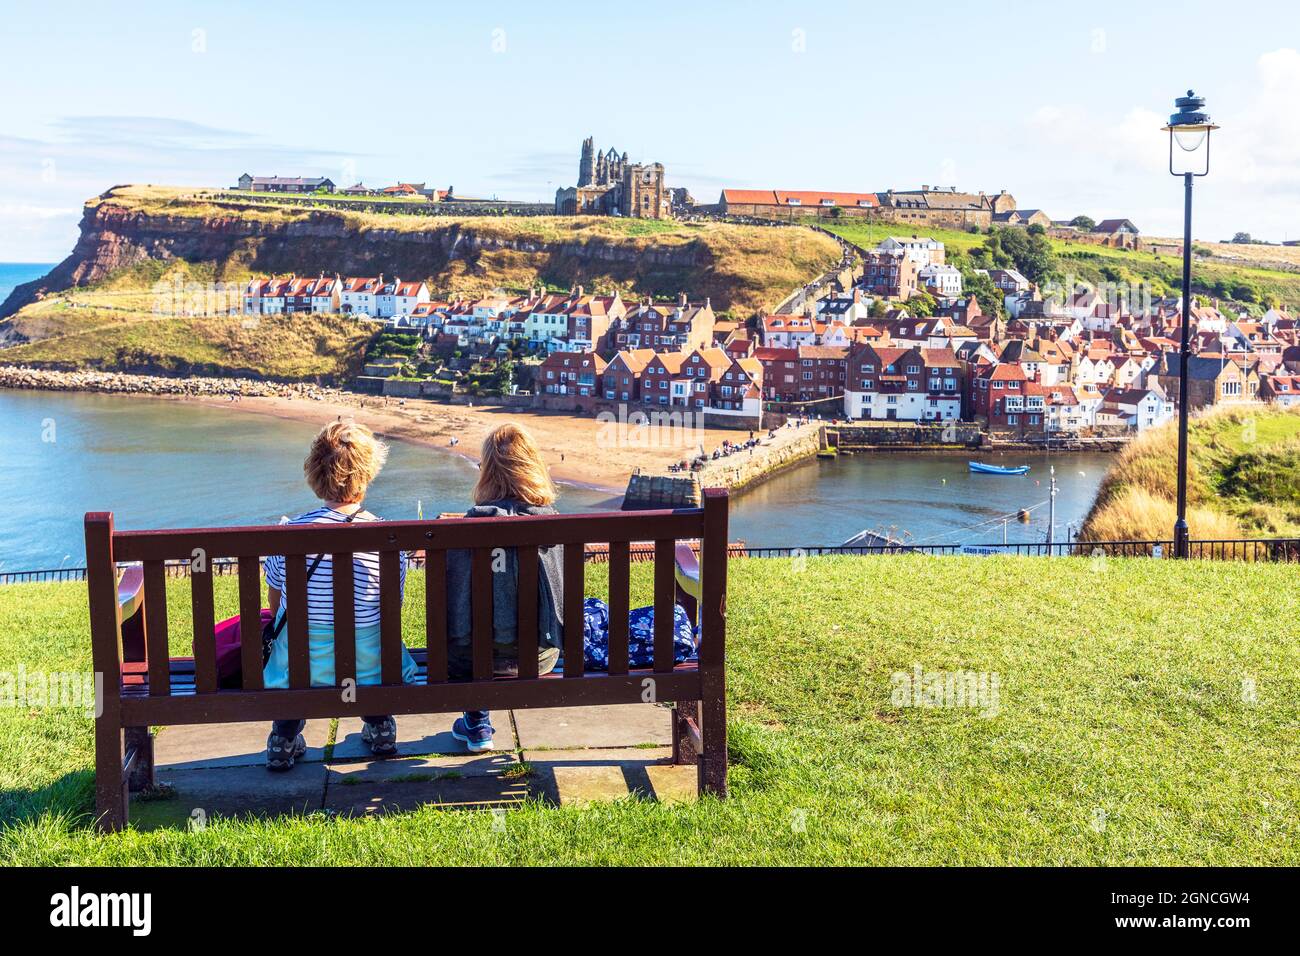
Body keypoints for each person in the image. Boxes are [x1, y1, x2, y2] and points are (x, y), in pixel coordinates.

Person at [261, 421, 417, 771]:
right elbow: (393, 609)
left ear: (314, 474)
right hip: (370, 667)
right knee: (372, 643)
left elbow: (275, 604)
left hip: (298, 669)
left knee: (295, 644)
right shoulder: (386, 539)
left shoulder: (288, 535)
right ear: (368, 474)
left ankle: (284, 736)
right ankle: (378, 725)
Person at [444, 424, 565, 752]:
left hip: (468, 661)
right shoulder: (552, 525)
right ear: (534, 467)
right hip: (539, 658)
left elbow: (455, 612)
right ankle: (476, 721)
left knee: (471, 645)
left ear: (486, 473)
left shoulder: (470, 527)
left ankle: (477, 720)